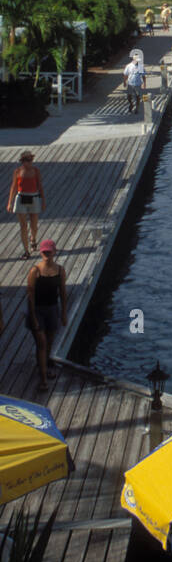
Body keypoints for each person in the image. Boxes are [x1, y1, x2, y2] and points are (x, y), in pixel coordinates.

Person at [26, 240, 67, 391]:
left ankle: (43, 366)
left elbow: (62, 292)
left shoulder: (60, 270)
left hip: (52, 309)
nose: (46, 255)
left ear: (55, 252)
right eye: (44, 252)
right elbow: (30, 296)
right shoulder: (35, 271)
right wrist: (33, 317)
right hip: (37, 310)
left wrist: (63, 313)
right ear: (40, 253)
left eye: (49, 252)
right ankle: (43, 380)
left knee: (49, 342)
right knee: (42, 343)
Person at [7, 150, 45, 258]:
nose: (29, 162)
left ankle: (33, 238)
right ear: (22, 161)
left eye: (30, 160)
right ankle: (26, 251)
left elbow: (40, 186)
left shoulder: (35, 171)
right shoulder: (17, 171)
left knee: (34, 224)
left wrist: (43, 201)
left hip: (33, 197)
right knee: (23, 226)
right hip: (21, 198)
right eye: (27, 160)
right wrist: (10, 202)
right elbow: (13, 187)